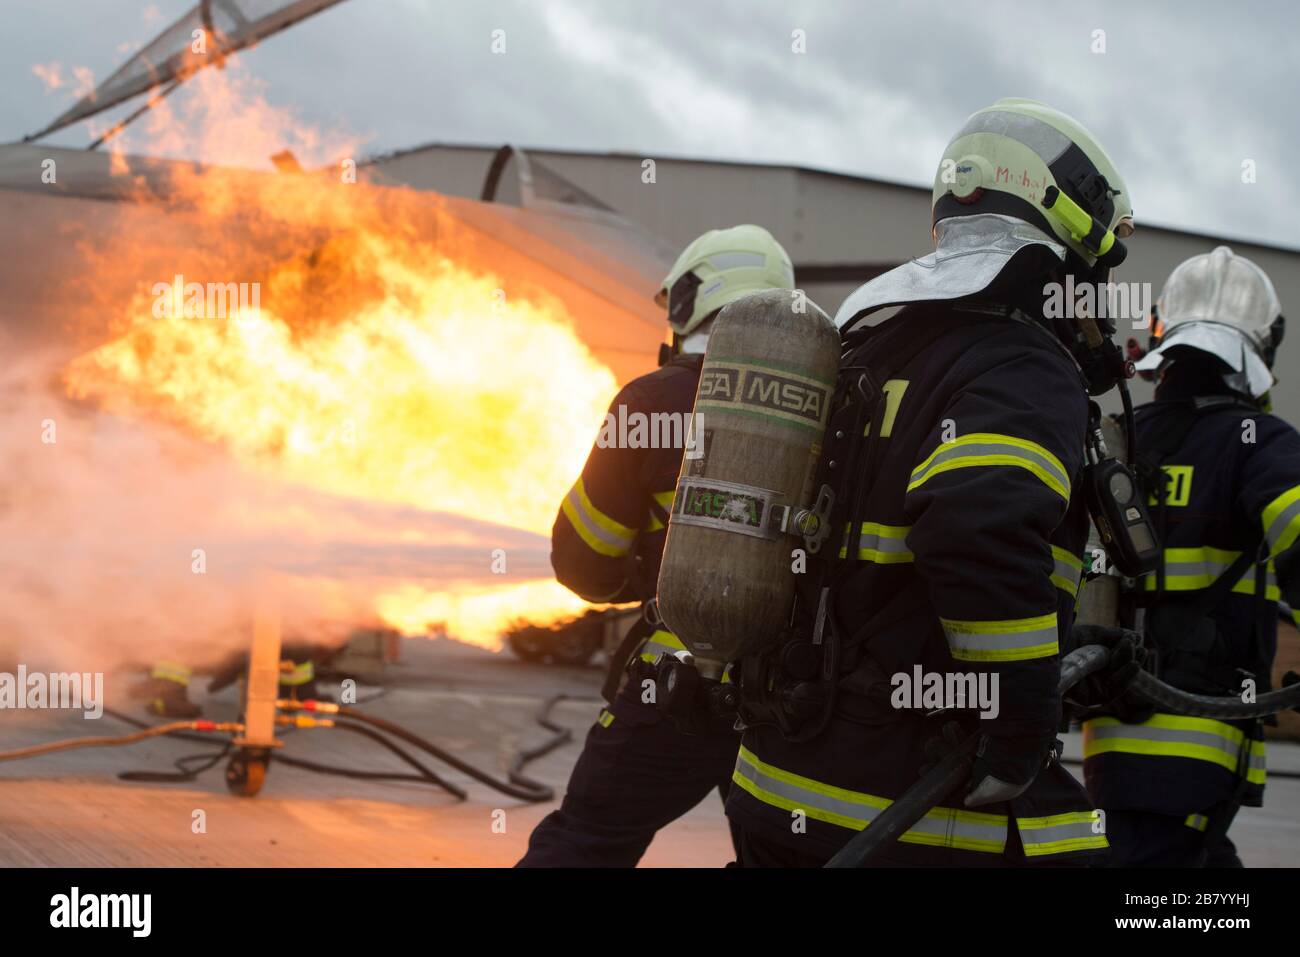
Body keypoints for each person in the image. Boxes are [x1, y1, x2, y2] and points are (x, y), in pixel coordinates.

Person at [726, 98, 1137, 867]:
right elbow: (974, 531)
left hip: (780, 778)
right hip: (914, 804)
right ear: (1069, 237)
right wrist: (1018, 720)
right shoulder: (1020, 366)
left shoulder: (869, 350)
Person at [517, 225, 796, 866]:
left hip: (680, 682)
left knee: (587, 841)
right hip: (791, 693)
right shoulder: (832, 403)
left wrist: (643, 575)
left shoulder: (652, 402)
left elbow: (584, 559)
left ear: (695, 297)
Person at [1083, 246, 1294, 866]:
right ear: (1263, 347)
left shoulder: (1119, 440)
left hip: (1112, 731)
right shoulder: (1261, 443)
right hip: (1202, 737)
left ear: (1162, 335)